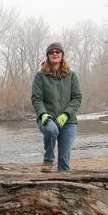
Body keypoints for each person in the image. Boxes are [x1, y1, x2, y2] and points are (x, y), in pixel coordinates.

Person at [31, 42, 83, 172]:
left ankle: (61, 188)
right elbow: (36, 99)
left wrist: (66, 114)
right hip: (47, 118)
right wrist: (42, 114)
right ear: (48, 56)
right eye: (51, 52)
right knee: (51, 129)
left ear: (62, 55)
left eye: (57, 52)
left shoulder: (71, 76)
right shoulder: (40, 76)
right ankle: (48, 159)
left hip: (69, 121)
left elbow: (77, 98)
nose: (54, 54)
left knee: (64, 162)